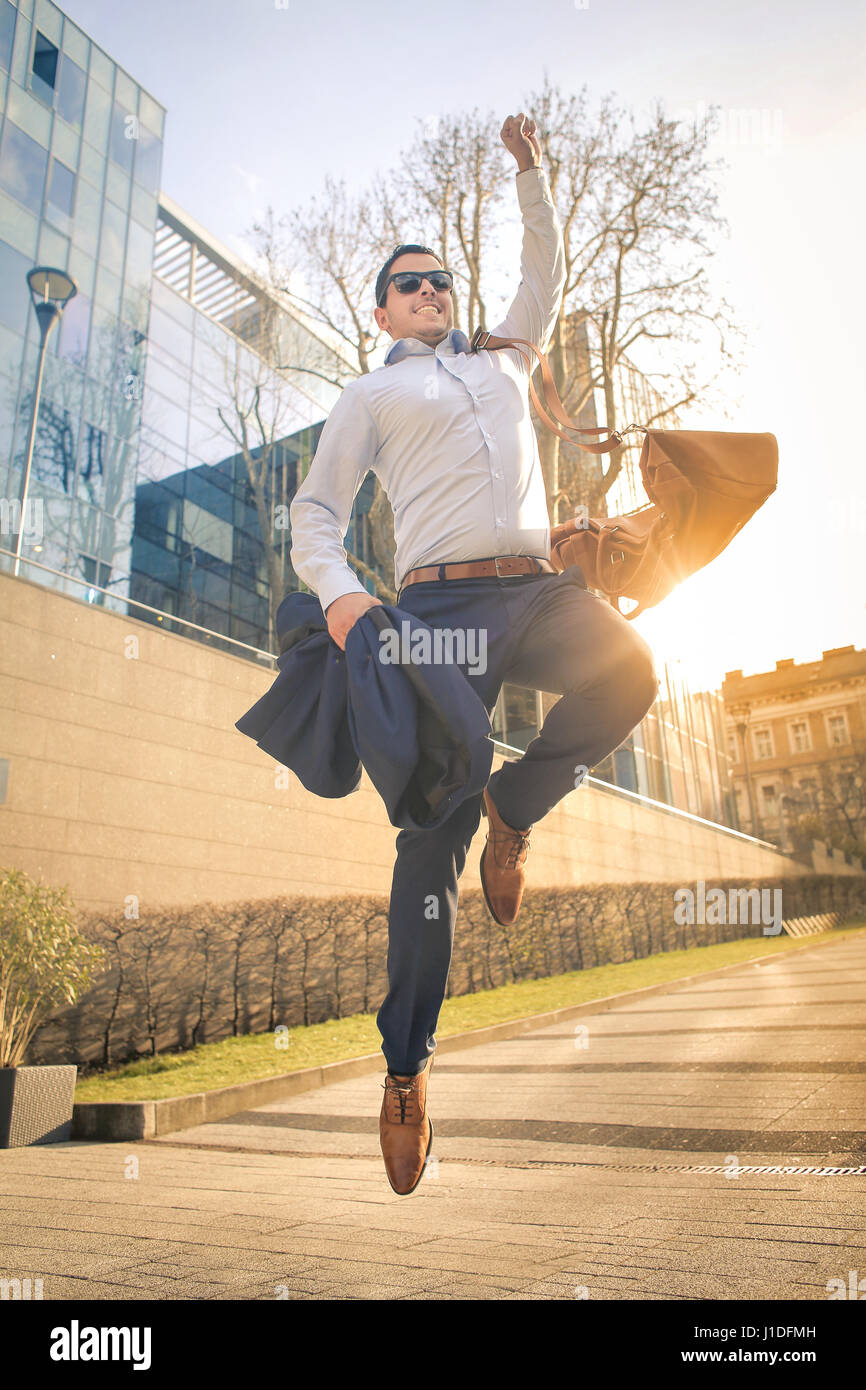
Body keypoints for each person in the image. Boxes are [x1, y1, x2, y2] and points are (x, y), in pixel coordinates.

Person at [289, 112, 659, 1196]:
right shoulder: (369, 395)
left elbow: (542, 265)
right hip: (434, 615)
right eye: (410, 282)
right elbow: (315, 514)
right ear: (381, 309)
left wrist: (532, 176)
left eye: (441, 278)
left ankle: (518, 807)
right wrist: (345, 598)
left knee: (632, 669)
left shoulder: (505, 357)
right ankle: (404, 1072)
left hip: (534, 590)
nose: (431, 290)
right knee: (424, 848)